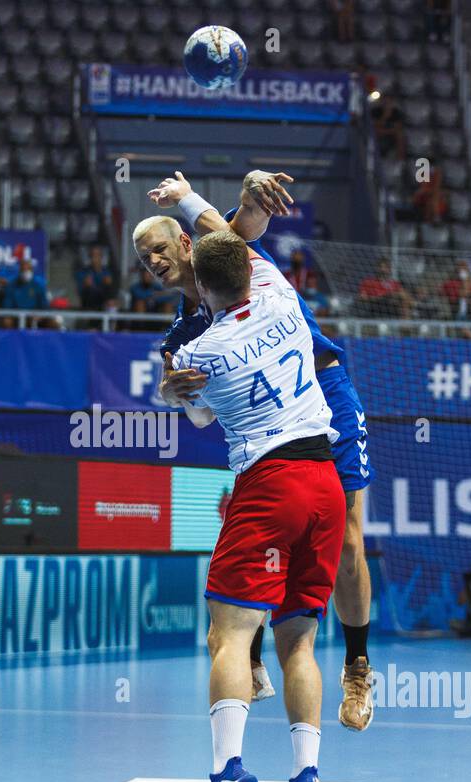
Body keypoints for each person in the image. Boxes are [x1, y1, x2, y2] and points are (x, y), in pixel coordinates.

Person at [141, 169, 377, 733]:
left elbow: (247, 218)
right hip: (274, 438)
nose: (153, 260)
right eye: (143, 257)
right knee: (272, 532)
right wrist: (165, 393)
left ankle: (358, 664)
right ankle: (250, 652)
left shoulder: (238, 260)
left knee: (347, 538)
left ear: (186, 244)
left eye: (159, 247)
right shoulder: (181, 337)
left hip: (328, 393)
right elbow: (191, 407)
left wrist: (232, 189)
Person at [170, 229, 344, 782]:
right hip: (326, 484)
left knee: (230, 635)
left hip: (270, 483)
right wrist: (196, 204)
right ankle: (306, 778)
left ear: (200, 283)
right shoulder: (283, 294)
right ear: (248, 267)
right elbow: (239, 246)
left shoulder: (203, 351)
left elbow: (197, 416)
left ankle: (227, 774)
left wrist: (170, 386)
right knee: (297, 642)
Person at [75, 245, 115, 310]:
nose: (96, 258)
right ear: (89, 257)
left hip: (103, 300)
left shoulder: (107, 272)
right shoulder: (83, 272)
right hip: (88, 300)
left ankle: (111, 315)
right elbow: (80, 291)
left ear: (101, 257)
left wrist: (107, 284)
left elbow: (108, 289)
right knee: (89, 289)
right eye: (93, 255)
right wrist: (86, 285)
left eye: (98, 255)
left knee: (109, 292)